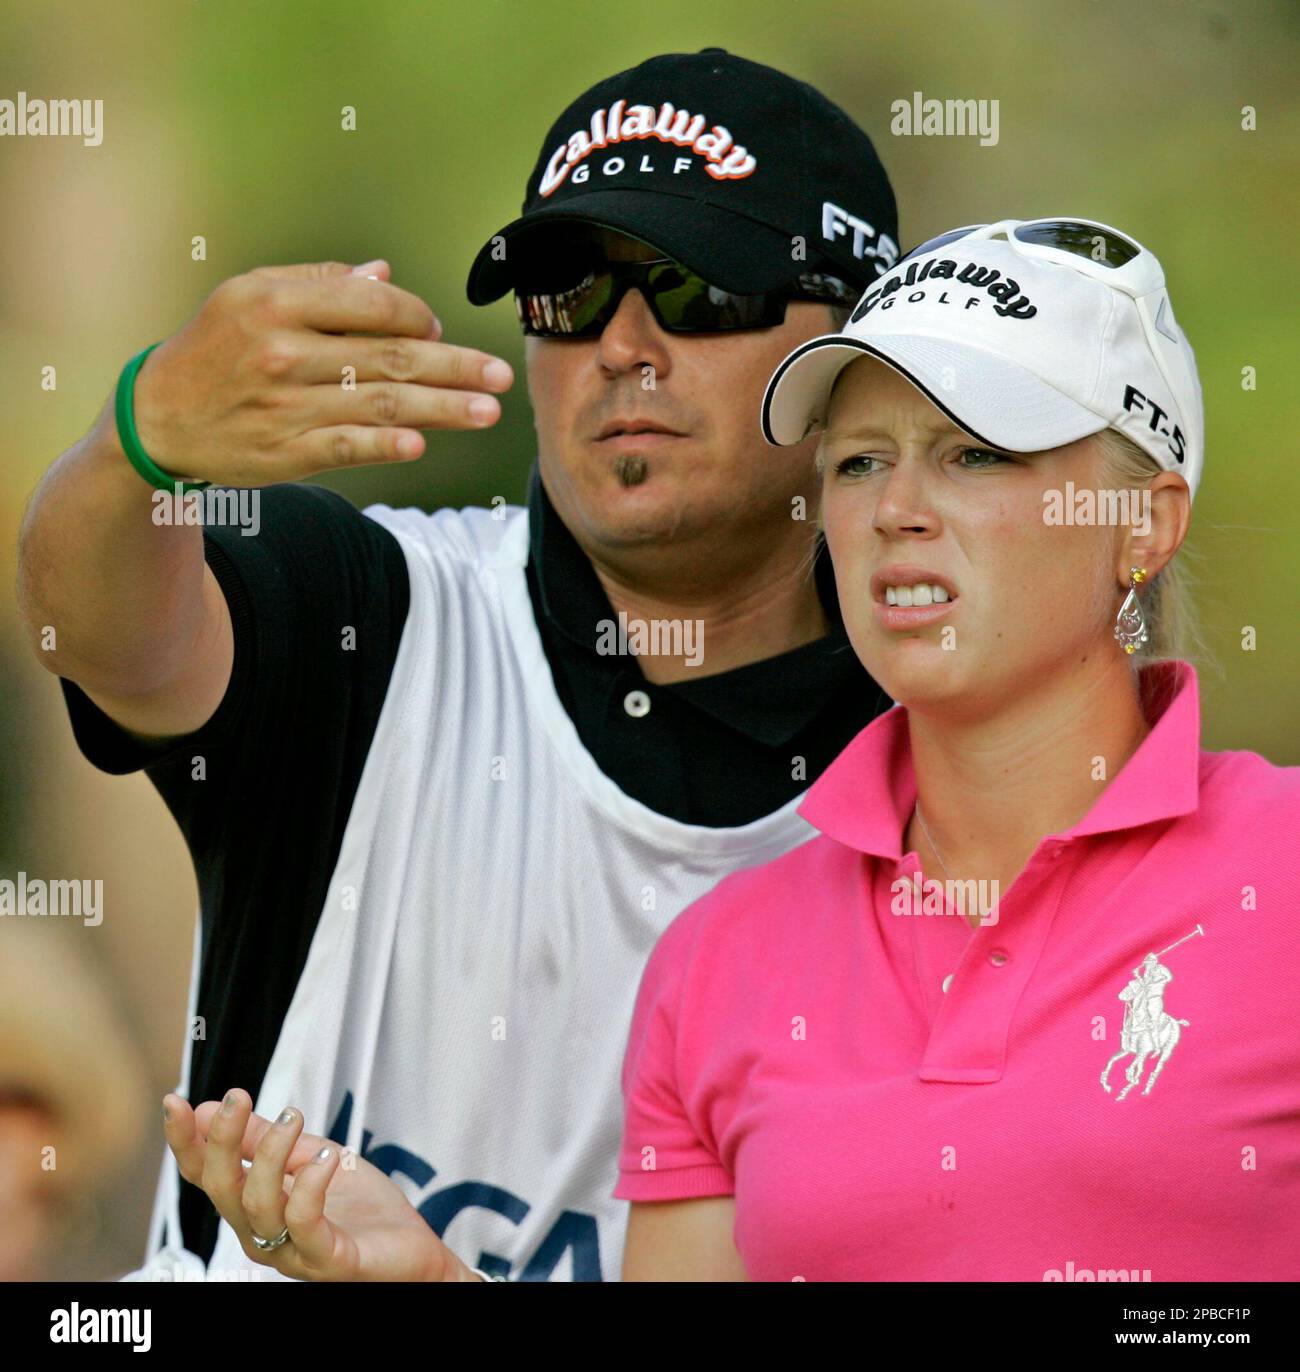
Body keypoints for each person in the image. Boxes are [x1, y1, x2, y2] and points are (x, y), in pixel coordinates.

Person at [182, 218, 1300, 1282]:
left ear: (1145, 523)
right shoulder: (723, 955)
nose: (898, 508)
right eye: (859, 461)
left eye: (973, 453)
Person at [16, 49, 901, 1281]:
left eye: (695, 290)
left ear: (855, 351)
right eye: (566, 289)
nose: (620, 344)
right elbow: (95, 625)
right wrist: (141, 439)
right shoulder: (374, 612)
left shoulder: (953, 746)